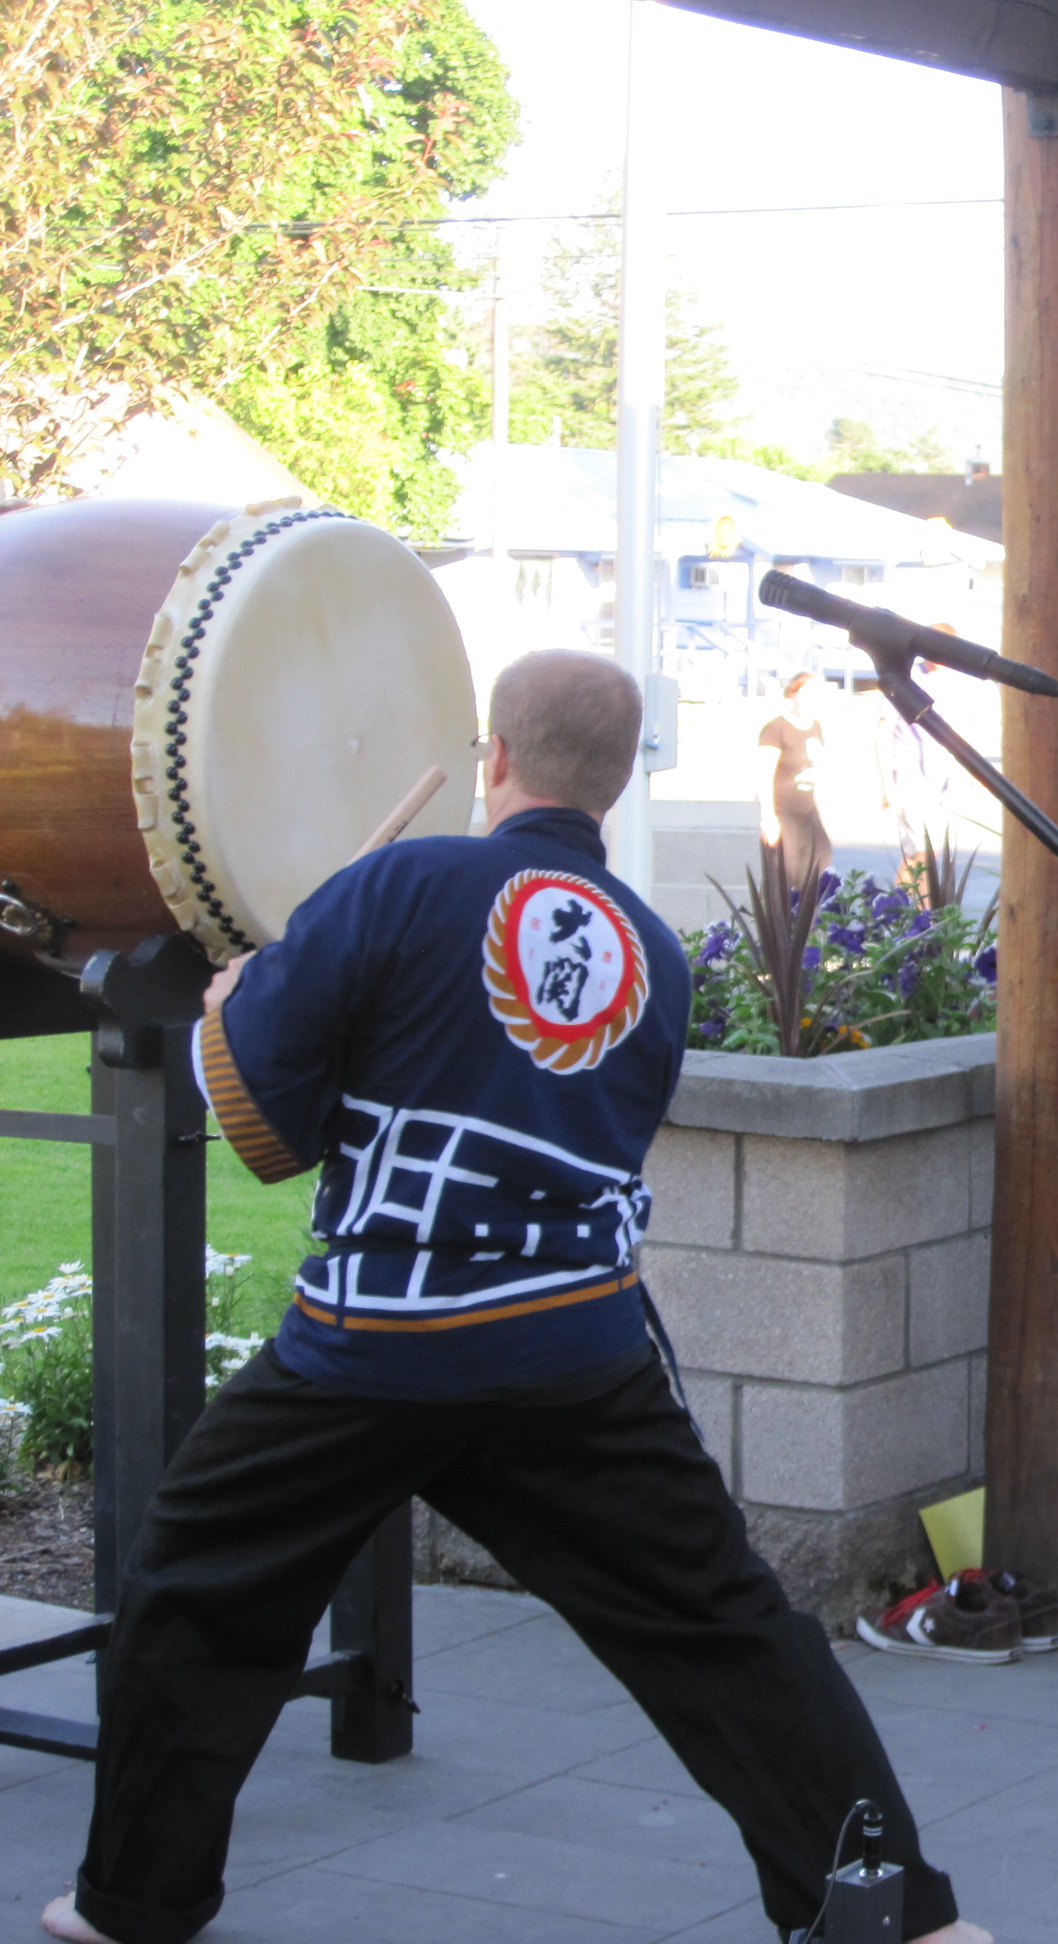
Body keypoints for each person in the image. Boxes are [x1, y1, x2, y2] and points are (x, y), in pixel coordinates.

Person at [44, 652, 985, 1944]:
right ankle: (900, 1919)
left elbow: (263, 1128)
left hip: (372, 1349)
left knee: (196, 1588)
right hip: (573, 1359)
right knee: (723, 1628)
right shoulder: (653, 955)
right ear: (616, 778)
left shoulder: (394, 886)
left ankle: (132, 1907)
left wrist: (230, 1013)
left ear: (493, 757)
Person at [756, 669, 834, 905]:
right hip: (784, 809)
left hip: (807, 808)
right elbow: (764, 775)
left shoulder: (815, 726)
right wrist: (768, 818)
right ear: (793, 694)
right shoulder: (776, 729)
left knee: (821, 858)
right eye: (806, 693)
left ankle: (811, 918)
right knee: (789, 869)